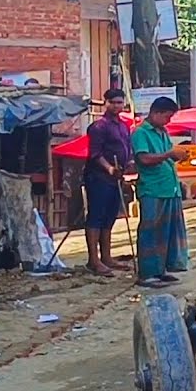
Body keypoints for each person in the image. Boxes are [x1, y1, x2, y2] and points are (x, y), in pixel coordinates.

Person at [131, 96, 189, 289]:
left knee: (167, 232)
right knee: (151, 231)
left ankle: (161, 269)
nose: (168, 121)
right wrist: (169, 154)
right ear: (156, 113)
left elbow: (166, 158)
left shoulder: (162, 132)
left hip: (168, 188)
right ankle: (147, 273)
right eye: (167, 116)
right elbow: (144, 159)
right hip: (152, 189)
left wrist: (176, 156)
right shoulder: (141, 133)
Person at [83, 88, 133, 277]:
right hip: (99, 177)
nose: (117, 106)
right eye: (113, 102)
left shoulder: (124, 126)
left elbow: (127, 149)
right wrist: (109, 168)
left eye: (120, 102)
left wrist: (128, 164)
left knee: (110, 216)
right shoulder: (98, 127)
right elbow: (95, 154)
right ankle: (93, 261)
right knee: (96, 216)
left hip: (117, 178)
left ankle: (107, 257)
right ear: (106, 103)